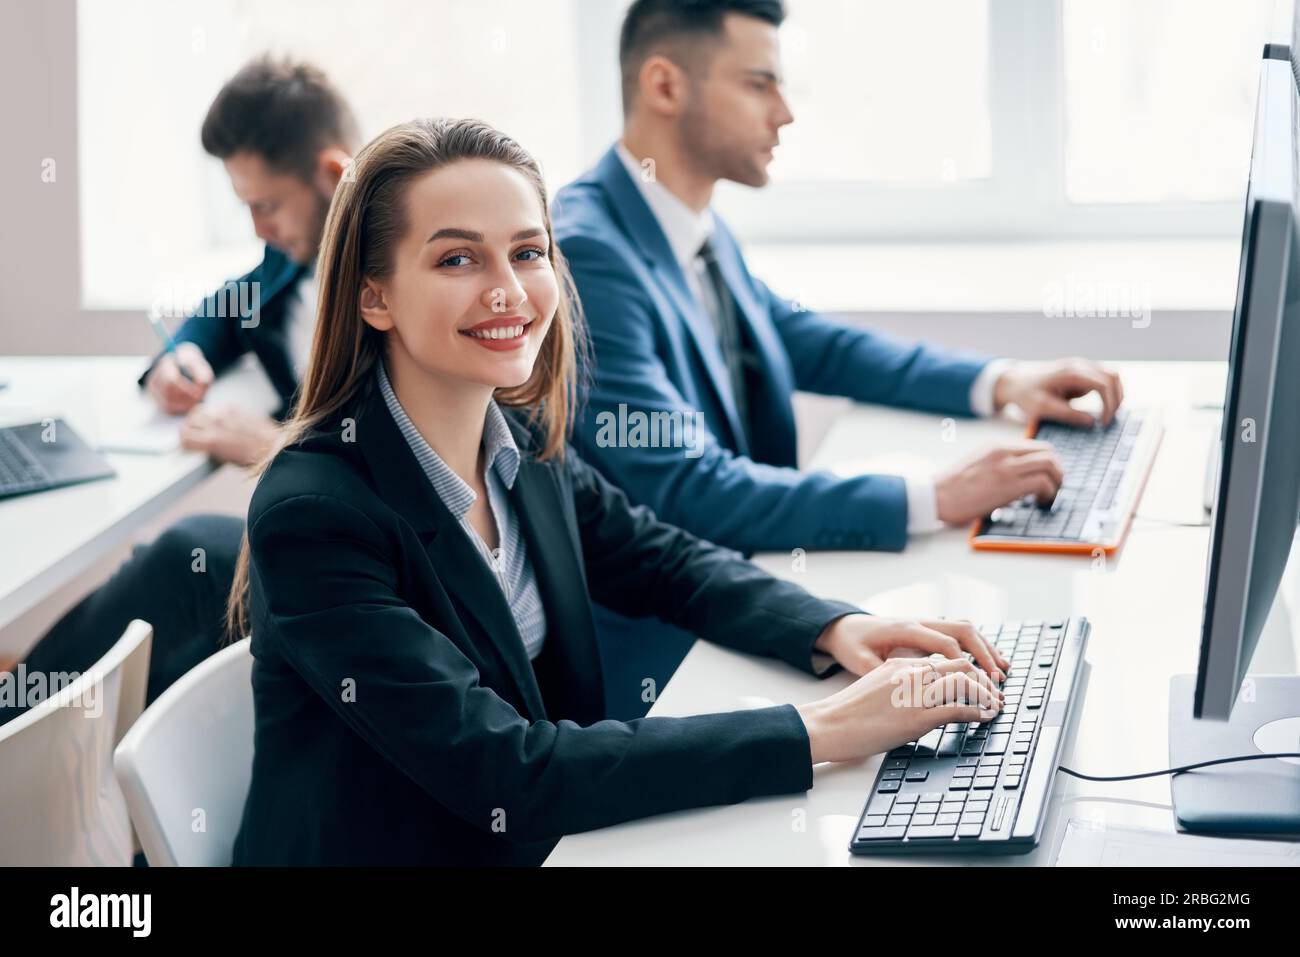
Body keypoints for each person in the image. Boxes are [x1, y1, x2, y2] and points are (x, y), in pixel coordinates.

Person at [227, 117, 1006, 866]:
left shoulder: (520, 439)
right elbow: (508, 767)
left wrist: (836, 626)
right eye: (458, 260)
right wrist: (823, 728)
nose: (508, 290)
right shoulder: (316, 515)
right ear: (375, 297)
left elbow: (663, 561)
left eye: (527, 252)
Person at [551, 0, 1124, 716]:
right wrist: (930, 497)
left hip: (745, 601)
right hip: (670, 658)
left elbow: (806, 340)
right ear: (665, 86)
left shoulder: (684, 219)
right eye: (760, 84)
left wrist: (998, 381)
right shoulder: (591, 253)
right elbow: (691, 490)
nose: (785, 112)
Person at [0, 56, 357, 722]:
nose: (257, 227)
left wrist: (277, 446)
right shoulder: (293, 253)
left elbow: (419, 458)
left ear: (334, 174)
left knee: (175, 562)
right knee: (157, 584)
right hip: (310, 538)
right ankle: (90, 782)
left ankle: (15, 723)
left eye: (267, 205)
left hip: (375, 572)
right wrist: (182, 353)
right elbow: (227, 307)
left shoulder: (401, 280)